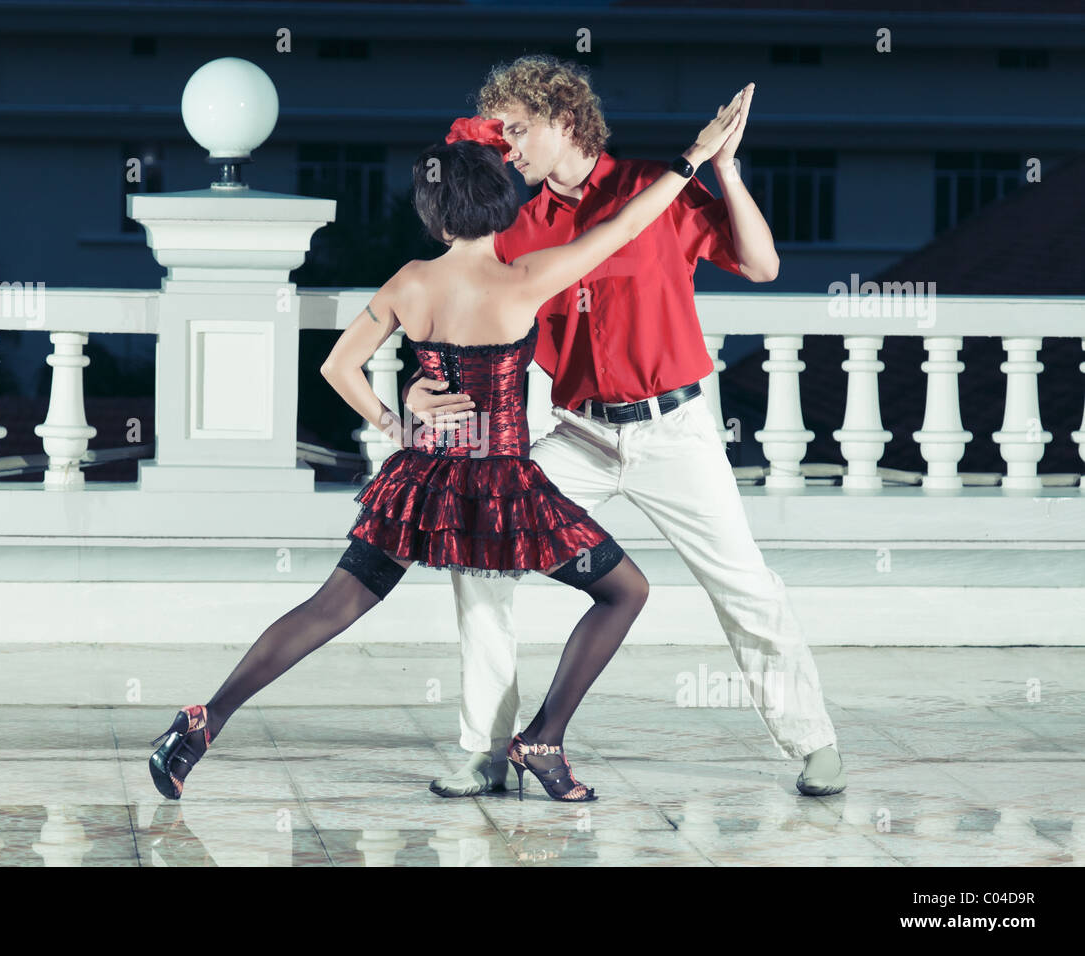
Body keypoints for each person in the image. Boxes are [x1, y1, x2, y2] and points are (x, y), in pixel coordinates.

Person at [148, 90, 747, 803]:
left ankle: (203, 720)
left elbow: (338, 366)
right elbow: (623, 226)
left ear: (435, 213)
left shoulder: (411, 282)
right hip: (502, 493)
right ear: (502, 206)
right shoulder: (527, 280)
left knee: (330, 605)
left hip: (422, 484)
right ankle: (543, 738)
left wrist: (397, 421)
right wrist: (692, 159)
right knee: (625, 592)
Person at [408, 55, 847, 799]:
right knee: (478, 557)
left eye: (518, 129)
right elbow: (465, 316)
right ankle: (485, 747)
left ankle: (813, 742)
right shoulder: (516, 231)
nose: (505, 146)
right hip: (578, 434)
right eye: (500, 131)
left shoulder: (656, 189)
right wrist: (424, 384)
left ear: (565, 119)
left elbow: (764, 264)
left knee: (747, 586)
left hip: (675, 433)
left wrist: (727, 171)